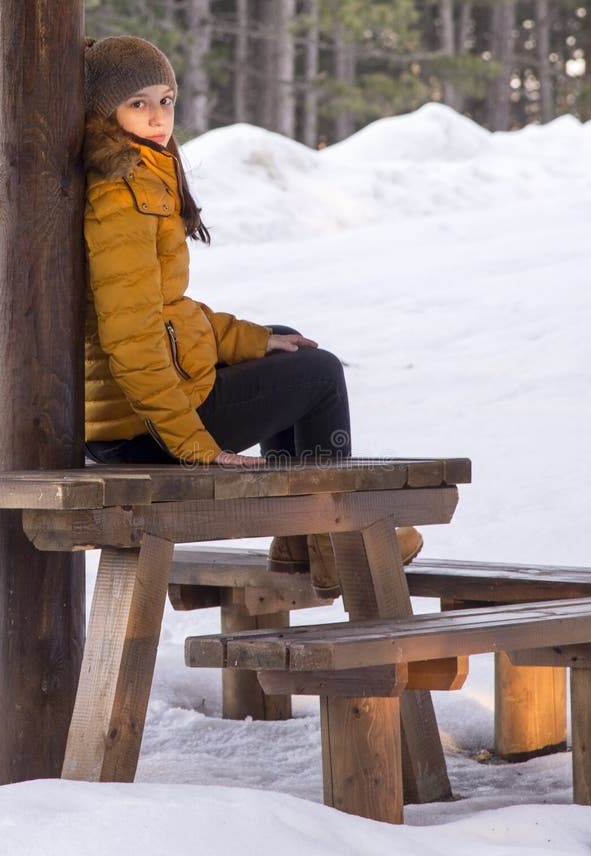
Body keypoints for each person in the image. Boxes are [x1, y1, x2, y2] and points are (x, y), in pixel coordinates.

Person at [82, 35, 423, 597]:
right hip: (144, 428)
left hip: (134, 420)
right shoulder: (123, 194)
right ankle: (335, 543)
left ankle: (300, 540)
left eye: (165, 100)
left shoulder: (141, 175)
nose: (157, 117)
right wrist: (195, 445)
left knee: (292, 349)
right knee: (319, 375)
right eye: (137, 103)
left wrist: (255, 340)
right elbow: (131, 336)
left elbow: (169, 312)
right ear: (105, 111)